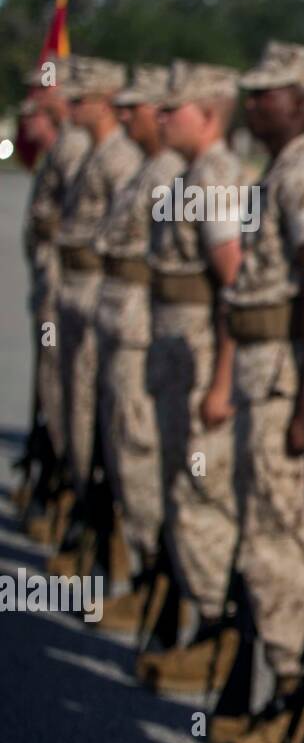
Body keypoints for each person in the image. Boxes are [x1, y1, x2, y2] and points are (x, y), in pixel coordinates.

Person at [215, 42, 304, 743]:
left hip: (282, 378)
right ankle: (283, 691)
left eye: (266, 93)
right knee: (264, 533)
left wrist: (302, 397)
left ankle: (293, 697)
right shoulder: (284, 170)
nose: (252, 102)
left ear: (299, 101)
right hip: (263, 371)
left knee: (278, 543)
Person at [136, 61, 245, 695]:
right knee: (179, 486)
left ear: (206, 114)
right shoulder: (191, 174)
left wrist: (223, 379)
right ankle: (202, 628)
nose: (158, 117)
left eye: (171, 110)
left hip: (204, 354)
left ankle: (215, 631)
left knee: (201, 497)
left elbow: (235, 284)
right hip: (177, 351)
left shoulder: (216, 178)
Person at [93, 64, 183, 632]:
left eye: (140, 107)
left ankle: (158, 574)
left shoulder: (170, 172)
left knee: (143, 450)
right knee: (124, 447)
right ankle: (144, 570)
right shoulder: (148, 166)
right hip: (119, 314)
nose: (125, 116)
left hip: (145, 325)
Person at [53, 57, 141, 549]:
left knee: (104, 418)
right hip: (80, 286)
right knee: (79, 407)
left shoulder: (119, 159)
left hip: (103, 293)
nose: (70, 106)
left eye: (80, 99)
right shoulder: (93, 153)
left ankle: (117, 543)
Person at [19, 67, 90, 544]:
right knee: (53, 388)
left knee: (72, 403)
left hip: (74, 290)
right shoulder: (65, 148)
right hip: (56, 282)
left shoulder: (79, 149)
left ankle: (68, 494)